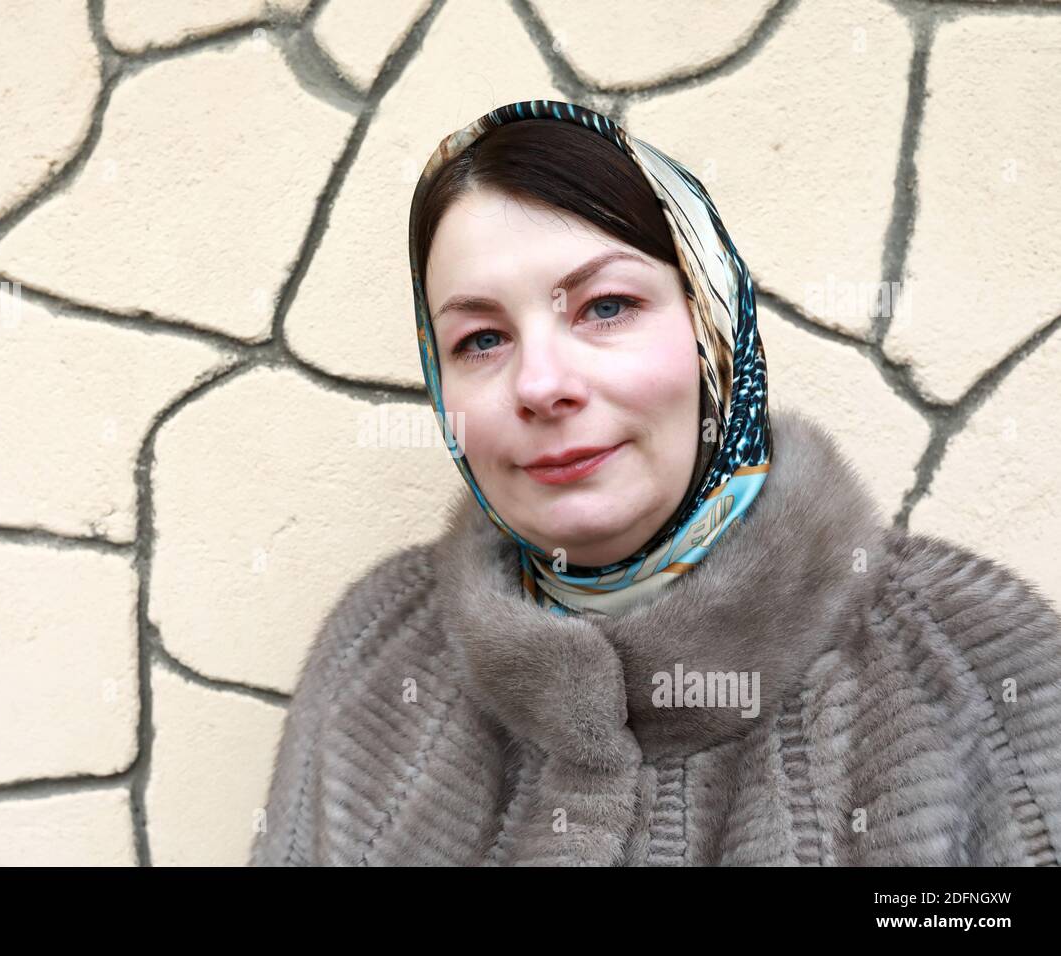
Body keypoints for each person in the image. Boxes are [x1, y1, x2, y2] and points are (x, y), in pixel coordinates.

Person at [249, 99, 1061, 866]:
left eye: (605, 307)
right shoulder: (372, 655)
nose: (541, 384)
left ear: (713, 323)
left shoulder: (969, 664)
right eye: (482, 338)